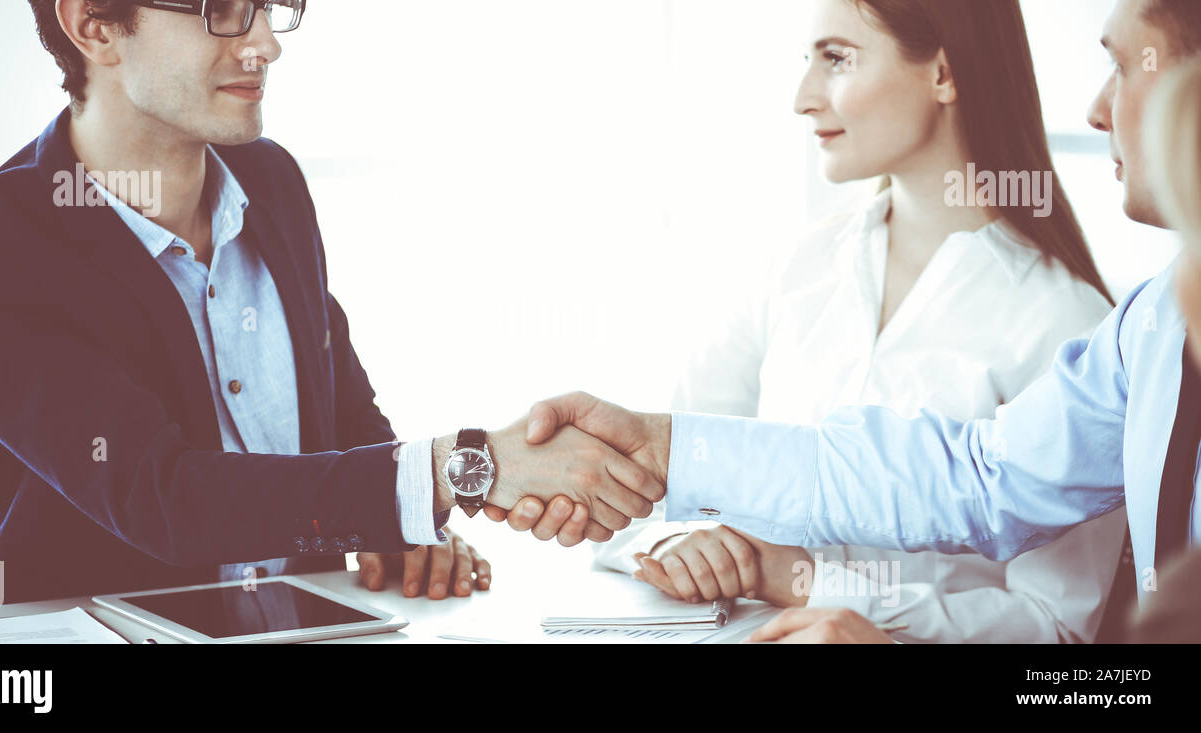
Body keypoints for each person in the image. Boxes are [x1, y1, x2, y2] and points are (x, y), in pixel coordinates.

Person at [0, 0, 660, 606]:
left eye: (268, 4)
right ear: (94, 26)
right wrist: (464, 468)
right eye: (219, 9)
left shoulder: (269, 181)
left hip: (311, 622)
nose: (264, 42)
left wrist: (399, 523)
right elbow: (162, 495)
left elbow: (340, 410)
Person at [501, 0, 1201, 643]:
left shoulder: (1068, 316)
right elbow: (977, 478)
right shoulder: (1146, 327)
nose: (802, 98)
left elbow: (1064, 643)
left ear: (945, 74)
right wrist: (667, 477)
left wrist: (806, 581)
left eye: (838, 59)